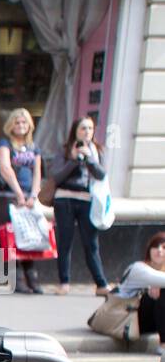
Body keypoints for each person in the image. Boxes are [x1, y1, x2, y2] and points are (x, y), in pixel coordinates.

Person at [50, 116, 110, 295]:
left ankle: (101, 284)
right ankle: (64, 283)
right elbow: (56, 176)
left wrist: (90, 159)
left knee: (91, 243)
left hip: (87, 201)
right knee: (65, 242)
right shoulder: (65, 151)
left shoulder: (96, 151)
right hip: (65, 200)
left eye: (90, 129)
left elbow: (101, 175)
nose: (87, 132)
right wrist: (74, 160)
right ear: (75, 130)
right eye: (83, 128)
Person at [0, 108, 45, 294]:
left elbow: (37, 172)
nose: (21, 126)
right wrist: (19, 194)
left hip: (28, 196)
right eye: (17, 122)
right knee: (11, 237)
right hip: (9, 195)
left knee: (29, 236)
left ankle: (32, 277)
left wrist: (33, 195)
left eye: (24, 122)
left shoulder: (34, 147)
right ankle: (16, 279)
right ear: (11, 125)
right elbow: (5, 168)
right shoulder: (4, 143)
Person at [117, 231, 165, 341]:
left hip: (152, 321)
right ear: (149, 250)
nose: (159, 250)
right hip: (127, 319)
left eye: (164, 247)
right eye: (155, 246)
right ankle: (163, 346)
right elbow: (157, 279)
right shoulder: (138, 268)